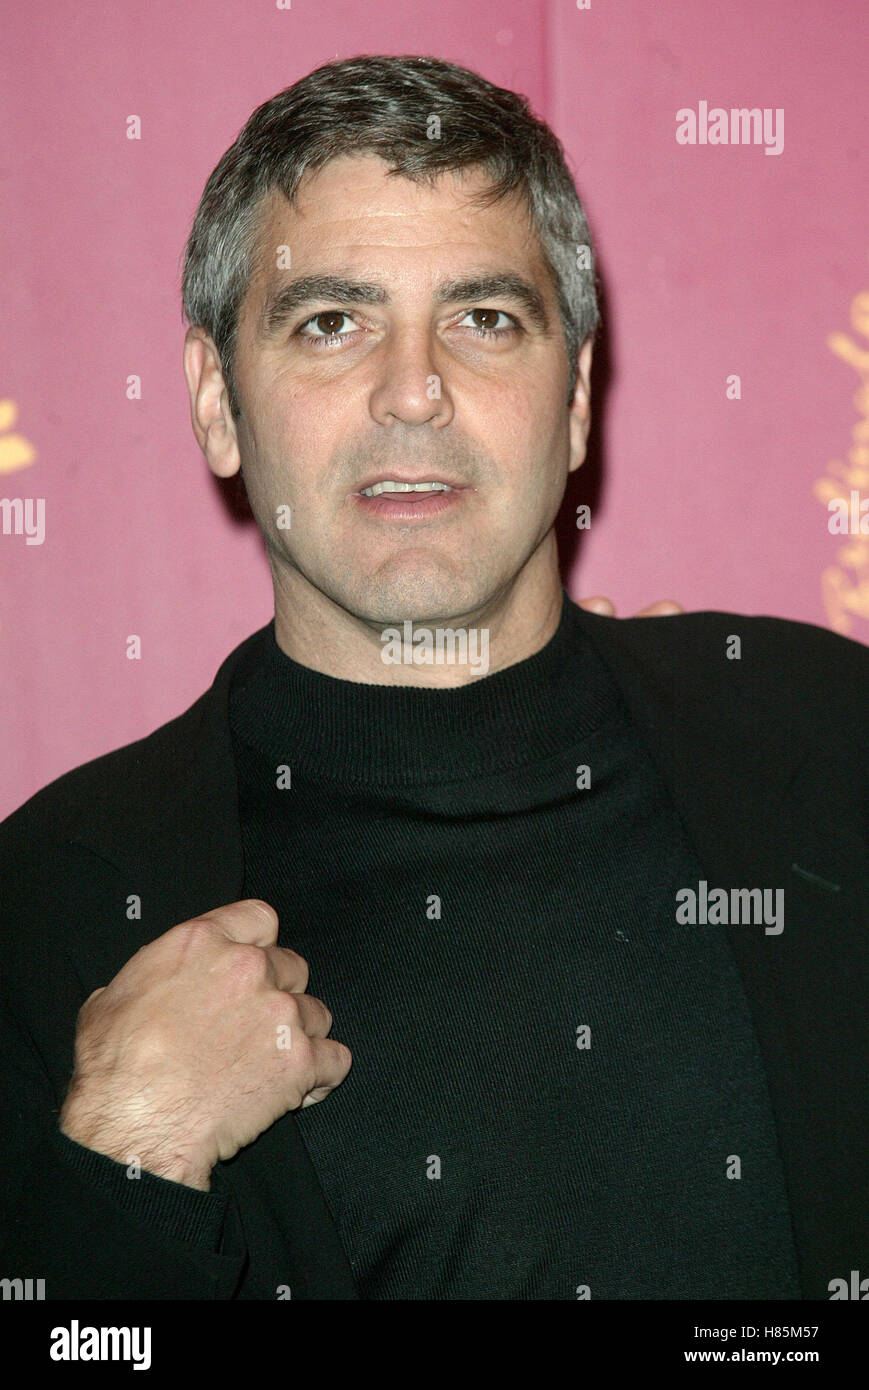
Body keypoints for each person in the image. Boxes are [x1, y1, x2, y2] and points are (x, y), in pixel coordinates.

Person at [1, 54, 866, 1303]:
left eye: (484, 318)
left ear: (571, 401)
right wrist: (127, 1166)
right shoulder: (53, 907)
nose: (413, 393)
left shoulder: (823, 742)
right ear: (215, 402)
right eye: (330, 321)